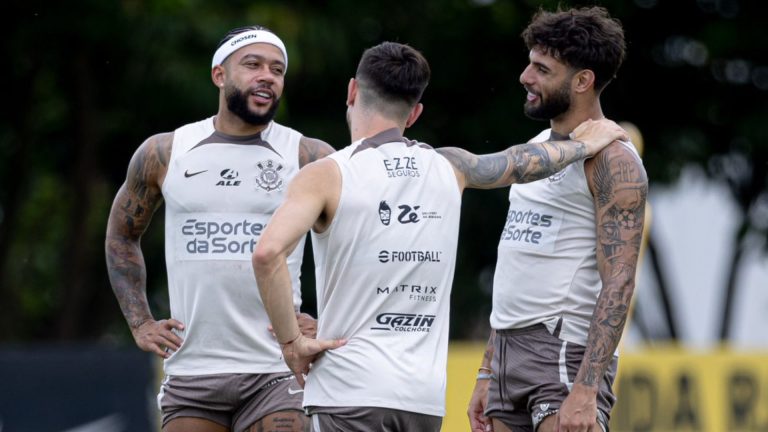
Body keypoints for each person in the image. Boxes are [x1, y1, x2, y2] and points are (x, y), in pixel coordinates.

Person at [252, 41, 627, 431]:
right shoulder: (452, 167)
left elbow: (267, 254)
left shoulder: (327, 173)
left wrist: (291, 343)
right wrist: (586, 143)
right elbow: (521, 163)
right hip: (422, 401)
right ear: (414, 113)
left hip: (348, 392)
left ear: (352, 91)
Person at [105, 25, 334, 432]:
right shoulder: (166, 151)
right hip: (193, 371)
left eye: (277, 70)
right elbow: (122, 235)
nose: (268, 75)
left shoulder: (309, 156)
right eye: (253, 64)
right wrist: (140, 320)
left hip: (277, 369)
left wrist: (333, 318)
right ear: (219, 74)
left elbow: (359, 244)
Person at [467, 6, 648, 432]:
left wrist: (586, 389)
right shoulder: (534, 148)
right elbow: (518, 267)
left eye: (541, 69)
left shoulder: (613, 160)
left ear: (583, 80)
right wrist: (487, 371)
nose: (525, 77)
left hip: (563, 355)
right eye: (529, 63)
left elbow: (620, 280)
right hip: (508, 358)